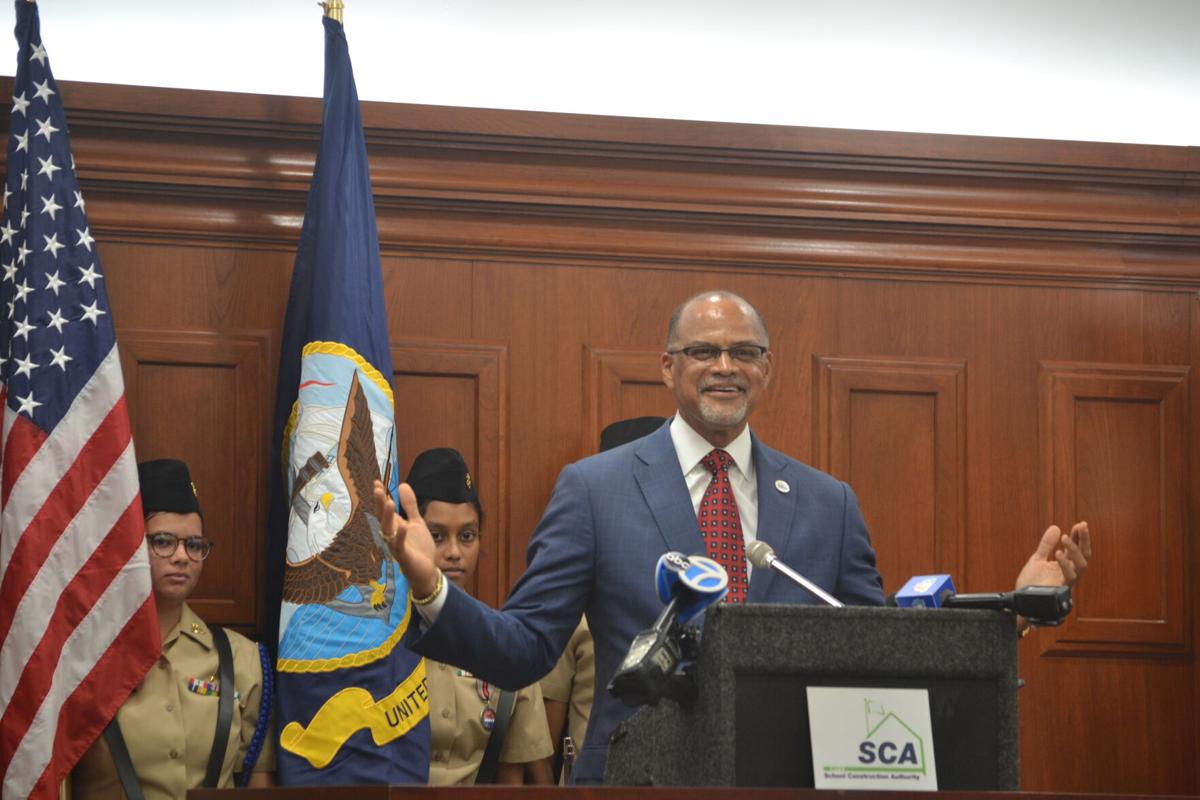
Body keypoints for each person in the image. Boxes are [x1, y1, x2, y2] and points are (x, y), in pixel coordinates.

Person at [376, 290, 1091, 784]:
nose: (725, 366)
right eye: (703, 351)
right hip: (642, 777)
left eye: (744, 351)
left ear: (766, 369)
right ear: (668, 367)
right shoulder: (593, 489)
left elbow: (879, 647)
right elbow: (525, 646)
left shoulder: (827, 503)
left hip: (793, 776)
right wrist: (431, 588)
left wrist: (1013, 612)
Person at [70, 459, 274, 798]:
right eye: (163, 541)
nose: (182, 556)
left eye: (194, 545)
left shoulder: (241, 659)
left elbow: (259, 784)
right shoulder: (80, 657)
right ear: (129, 545)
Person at [406, 448, 554, 786]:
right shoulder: (375, 643)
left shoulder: (504, 642)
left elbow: (517, 778)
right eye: (437, 536)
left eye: (467, 536)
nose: (455, 552)